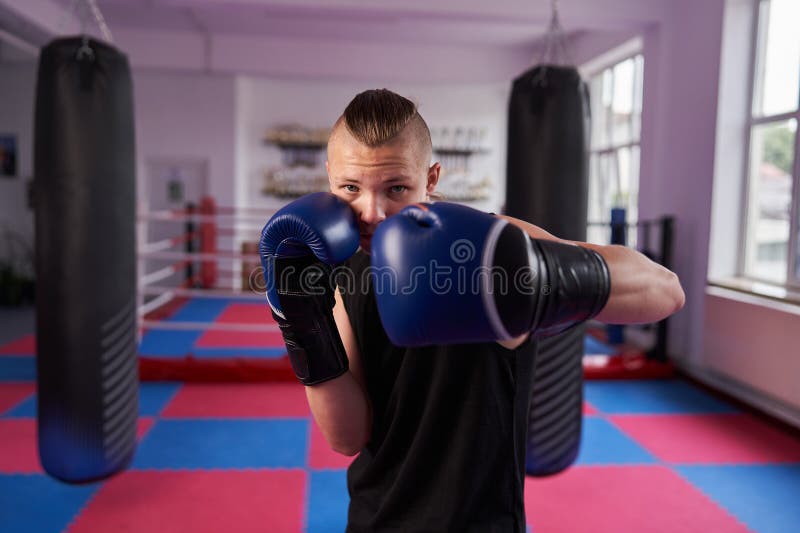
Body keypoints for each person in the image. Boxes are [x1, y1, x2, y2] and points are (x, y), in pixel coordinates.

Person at [260, 89, 685, 532]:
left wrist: (535, 277)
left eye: (396, 188)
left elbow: (666, 291)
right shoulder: (337, 267)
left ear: (431, 177)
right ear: (329, 176)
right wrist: (301, 324)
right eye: (351, 188)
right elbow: (346, 437)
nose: (372, 213)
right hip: (376, 520)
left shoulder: (491, 246)